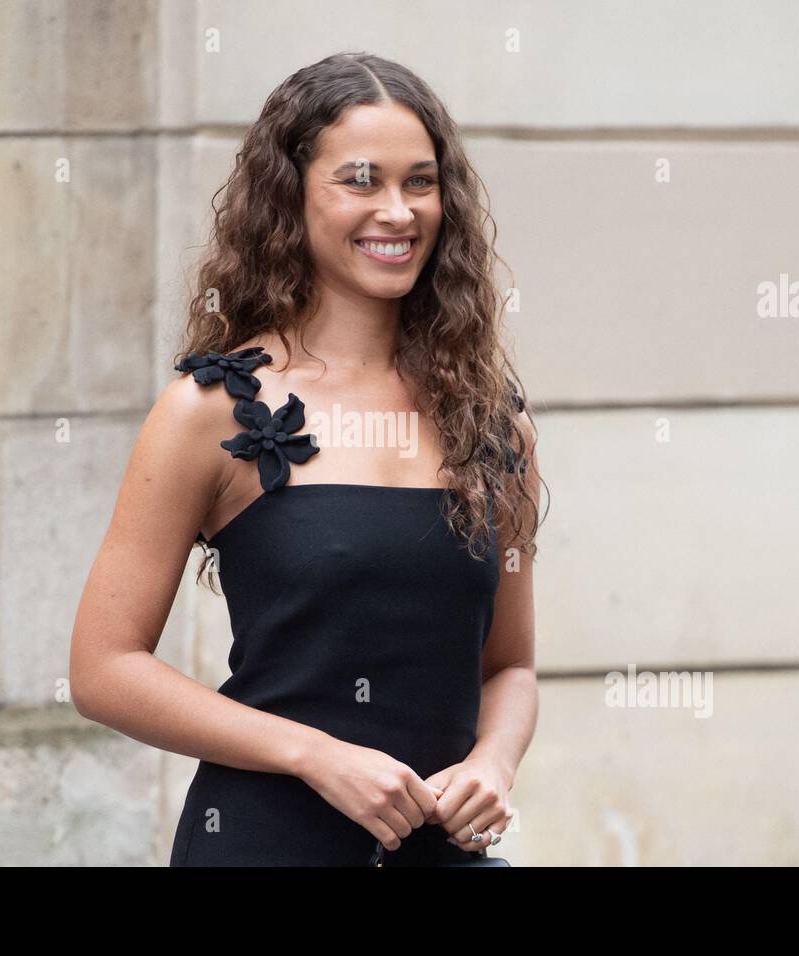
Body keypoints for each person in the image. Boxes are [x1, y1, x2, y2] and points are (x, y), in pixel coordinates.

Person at [70, 52, 543, 866]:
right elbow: (103, 669)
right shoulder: (209, 411)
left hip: (443, 851)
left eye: (420, 183)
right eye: (360, 180)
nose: (397, 211)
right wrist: (314, 754)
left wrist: (493, 765)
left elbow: (510, 666)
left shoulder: (490, 421)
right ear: (291, 195)